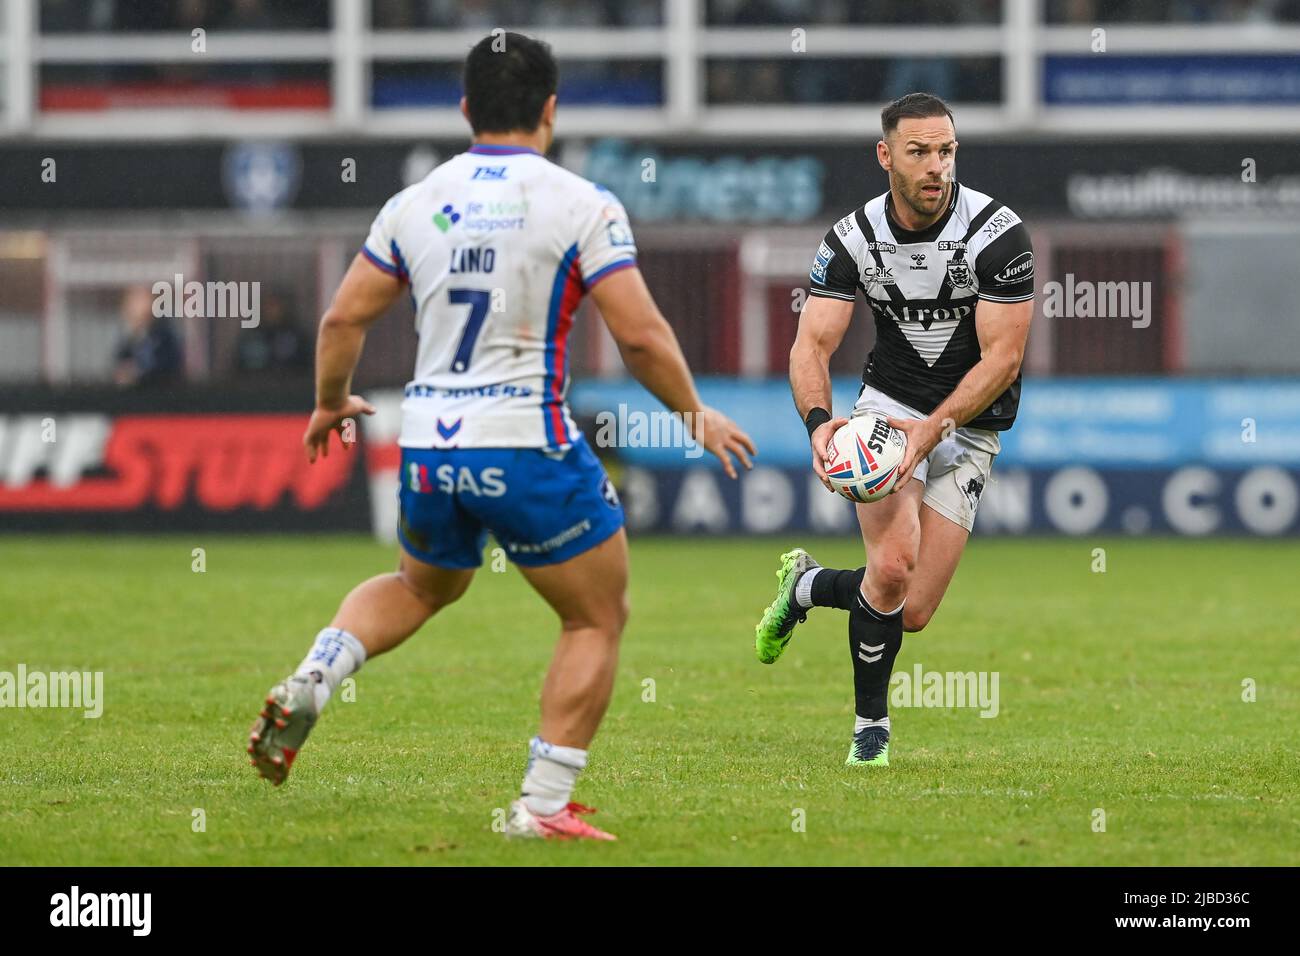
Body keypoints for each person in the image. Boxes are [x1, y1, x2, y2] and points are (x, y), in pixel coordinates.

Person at [247, 32, 755, 841]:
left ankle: (318, 672)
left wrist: (330, 402)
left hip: (428, 442)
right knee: (595, 616)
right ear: (551, 109)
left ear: (464, 110)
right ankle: (542, 808)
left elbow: (344, 315)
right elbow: (642, 337)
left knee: (421, 586)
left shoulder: (415, 202)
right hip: (524, 439)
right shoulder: (581, 203)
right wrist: (695, 414)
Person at [753, 93, 1034, 767]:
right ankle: (870, 730)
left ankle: (807, 586)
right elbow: (811, 346)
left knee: (911, 611)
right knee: (892, 567)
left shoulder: (996, 234)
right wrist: (820, 424)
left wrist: (931, 433)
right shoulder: (851, 239)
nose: (937, 167)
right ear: (886, 156)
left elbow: (1005, 359)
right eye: (919, 152)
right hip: (887, 413)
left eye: (947, 151)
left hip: (966, 428)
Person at [113, 285, 183, 387]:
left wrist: (137, 371)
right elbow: (120, 364)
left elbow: (167, 364)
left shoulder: (163, 337)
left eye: (141, 300)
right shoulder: (129, 342)